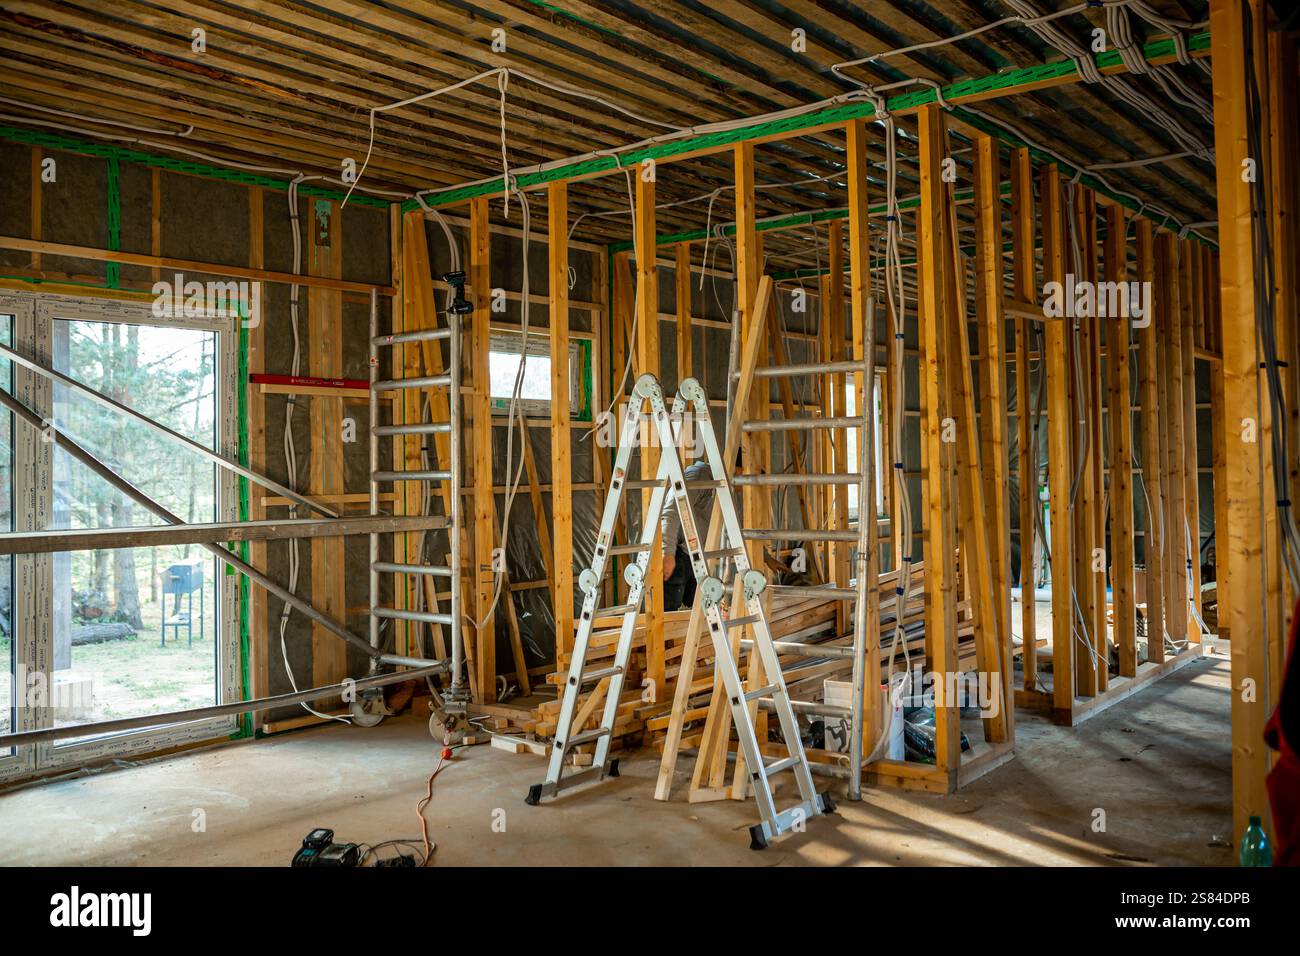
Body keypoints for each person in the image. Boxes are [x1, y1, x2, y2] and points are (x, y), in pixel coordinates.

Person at [661, 459, 714, 611]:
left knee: (695, 616)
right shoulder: (698, 476)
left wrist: (765, 557)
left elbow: (735, 521)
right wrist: (668, 553)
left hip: (696, 558)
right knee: (667, 617)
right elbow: (672, 511)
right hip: (677, 555)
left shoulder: (722, 488)